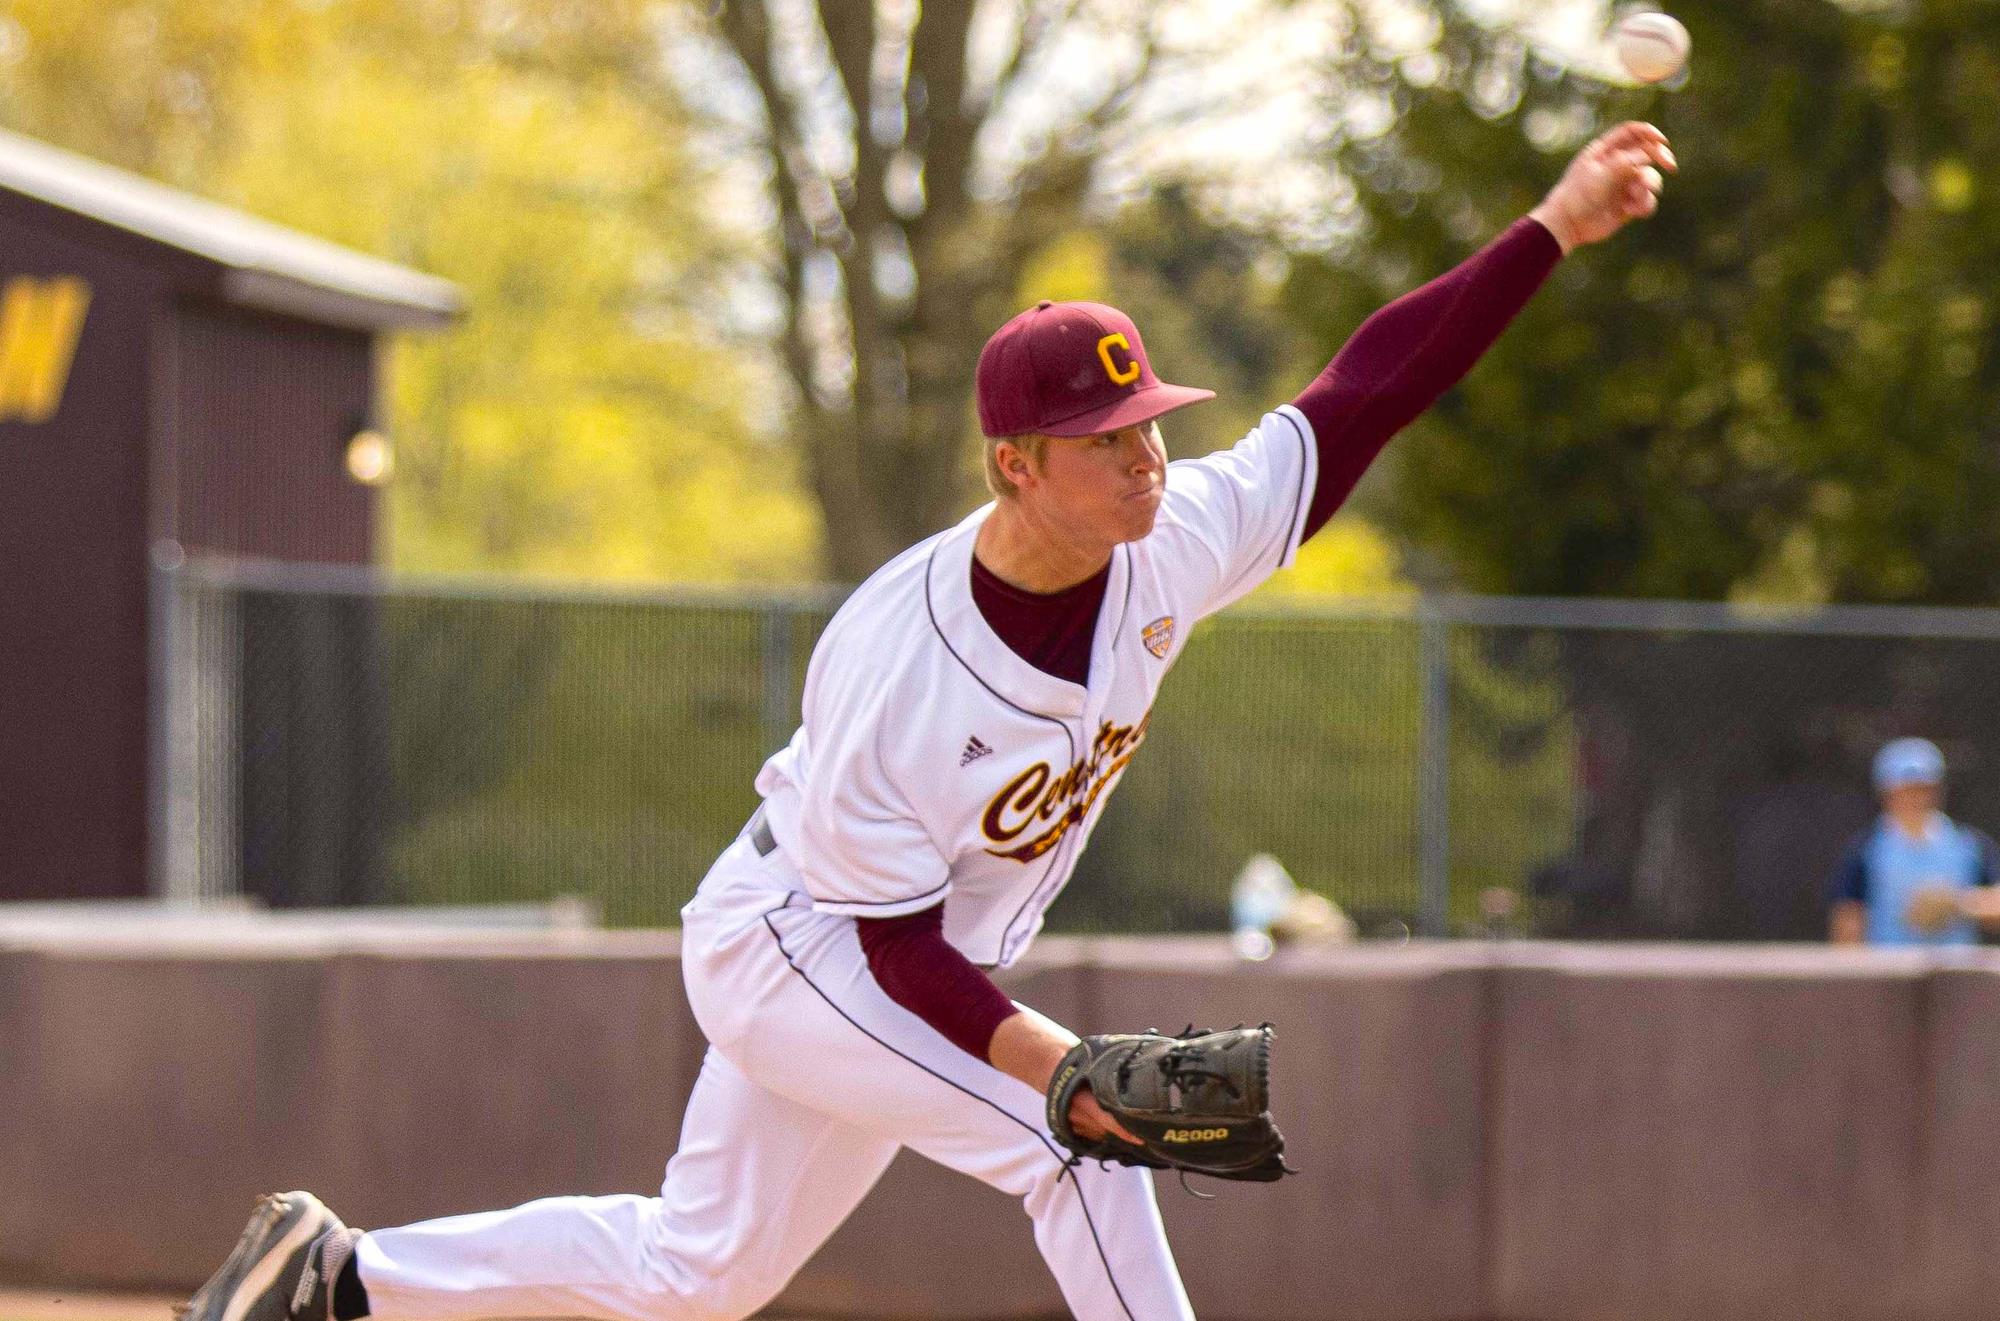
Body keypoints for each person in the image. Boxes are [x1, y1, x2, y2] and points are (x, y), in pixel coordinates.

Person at [182, 121, 1675, 1321]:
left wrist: (1545, 227)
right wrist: (1064, 1062)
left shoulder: (1172, 534)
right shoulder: (900, 660)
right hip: (804, 942)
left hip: (910, 959)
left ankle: (343, 1273)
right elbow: (892, 952)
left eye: (1151, 417)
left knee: (702, 1273)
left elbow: (1359, 394)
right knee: (1081, 1139)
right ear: (1018, 464)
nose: (1150, 454)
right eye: (1108, 439)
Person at [1828, 737, 2000, 947]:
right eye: (1906, 789)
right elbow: (1848, 922)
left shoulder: (1970, 845)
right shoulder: (1866, 849)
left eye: (1923, 789)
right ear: (1886, 792)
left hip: (1955, 971)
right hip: (1889, 971)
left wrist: (1960, 905)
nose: (1916, 798)